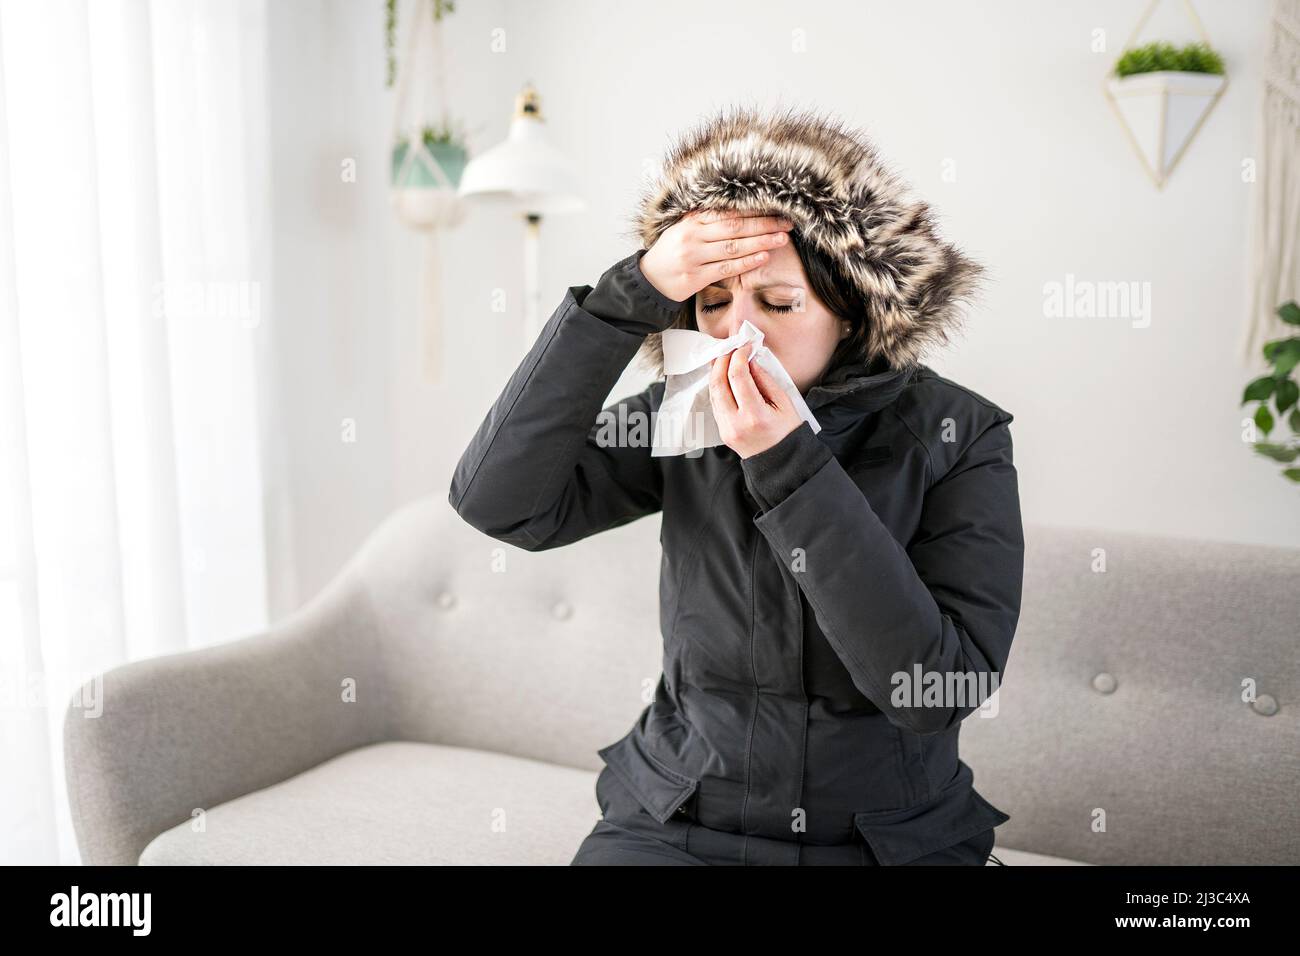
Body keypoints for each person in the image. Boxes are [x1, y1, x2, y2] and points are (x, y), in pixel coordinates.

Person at [449, 104, 1023, 866]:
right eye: (713, 302)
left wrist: (791, 465)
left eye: (778, 304)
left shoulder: (958, 437)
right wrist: (628, 297)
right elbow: (499, 503)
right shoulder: (685, 413)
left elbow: (935, 692)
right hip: (676, 816)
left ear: (851, 313)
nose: (733, 332)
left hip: (886, 839)